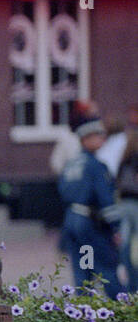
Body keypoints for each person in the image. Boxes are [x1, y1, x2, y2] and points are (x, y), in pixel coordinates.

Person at [59, 115, 122, 297]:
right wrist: (116, 228)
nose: (103, 139)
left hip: (72, 220)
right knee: (106, 268)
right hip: (90, 224)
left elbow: (63, 191)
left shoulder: (71, 164)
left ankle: (85, 311)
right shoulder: (96, 166)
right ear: (86, 138)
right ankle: (120, 314)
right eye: (98, 135)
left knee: (83, 270)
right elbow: (105, 200)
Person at [114, 132, 138, 293]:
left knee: (126, 244)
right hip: (135, 204)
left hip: (123, 204)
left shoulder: (124, 160)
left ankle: (130, 286)